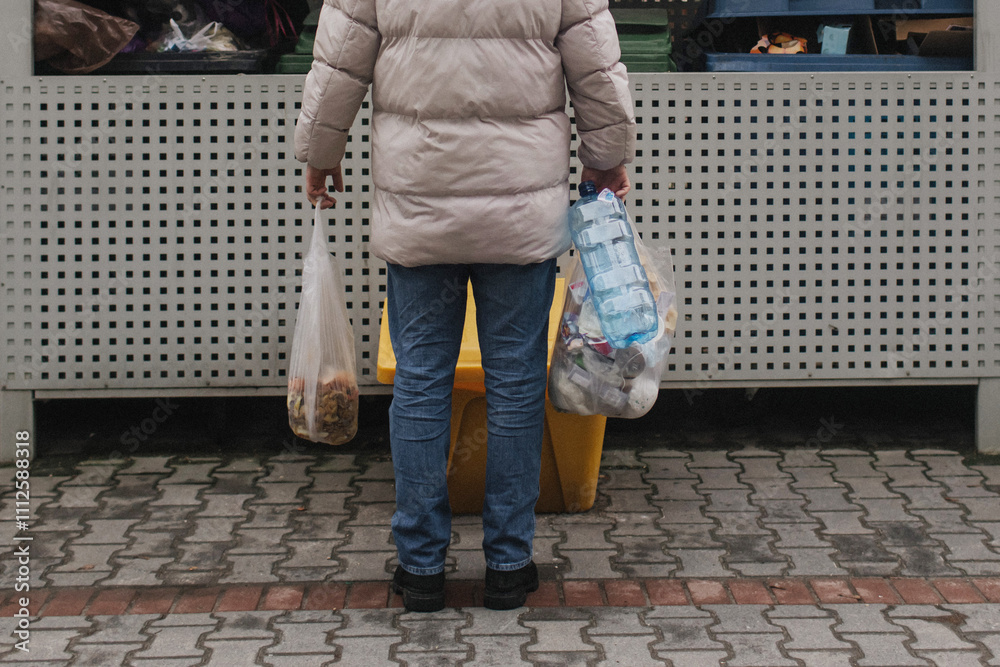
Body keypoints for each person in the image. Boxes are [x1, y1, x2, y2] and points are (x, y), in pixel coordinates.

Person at [295, 0, 636, 612]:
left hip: (421, 204)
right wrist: (606, 158)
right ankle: (508, 564)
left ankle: (421, 568)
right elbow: (596, 66)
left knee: (422, 382)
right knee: (516, 382)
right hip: (520, 209)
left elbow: (339, 62)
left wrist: (321, 151)